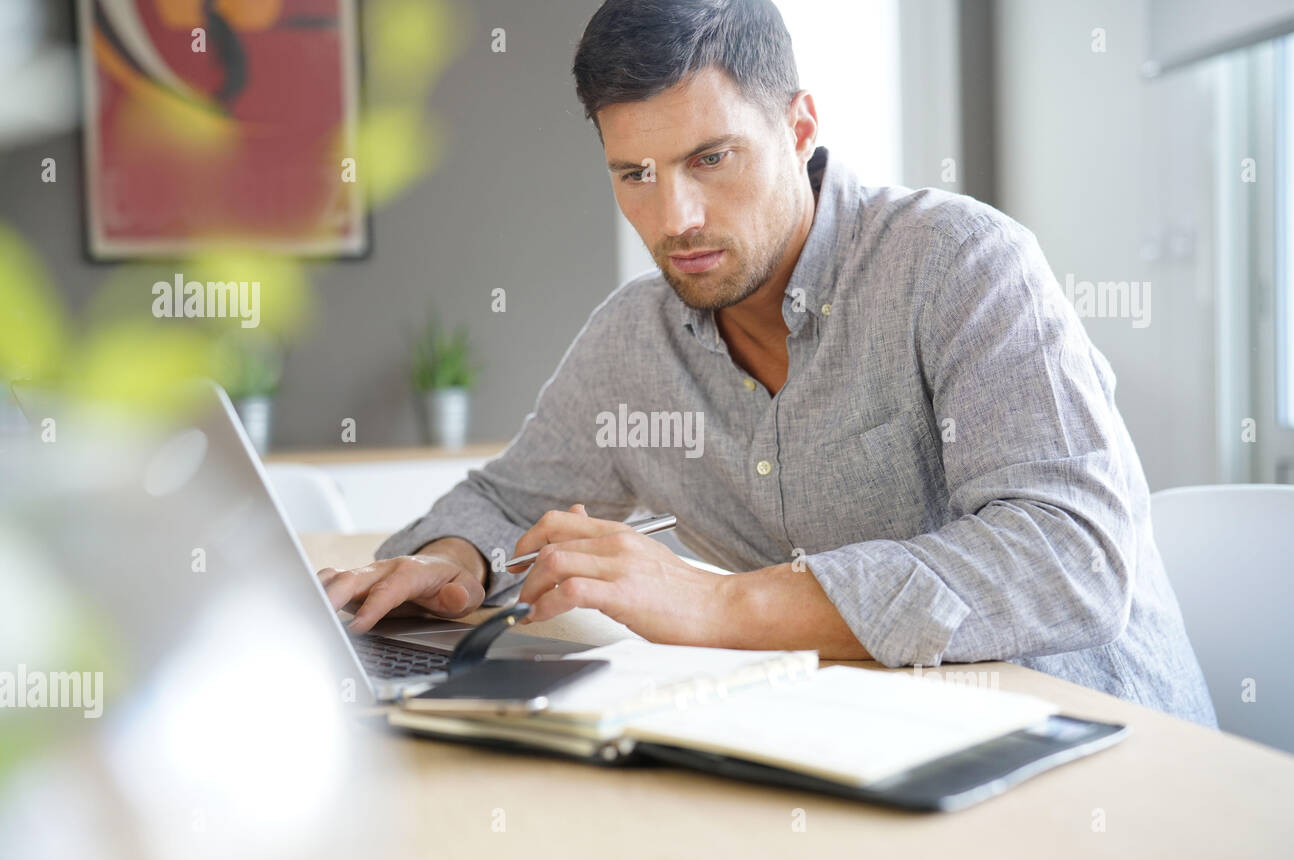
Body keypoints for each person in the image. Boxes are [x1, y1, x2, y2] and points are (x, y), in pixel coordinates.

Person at [317, 0, 1217, 727]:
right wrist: (453, 559)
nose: (675, 218)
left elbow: (1071, 557)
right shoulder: (637, 339)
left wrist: (720, 607)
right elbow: (507, 499)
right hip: (864, 743)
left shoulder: (961, 263)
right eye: (633, 173)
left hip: (1107, 755)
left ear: (800, 124)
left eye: (712, 158)